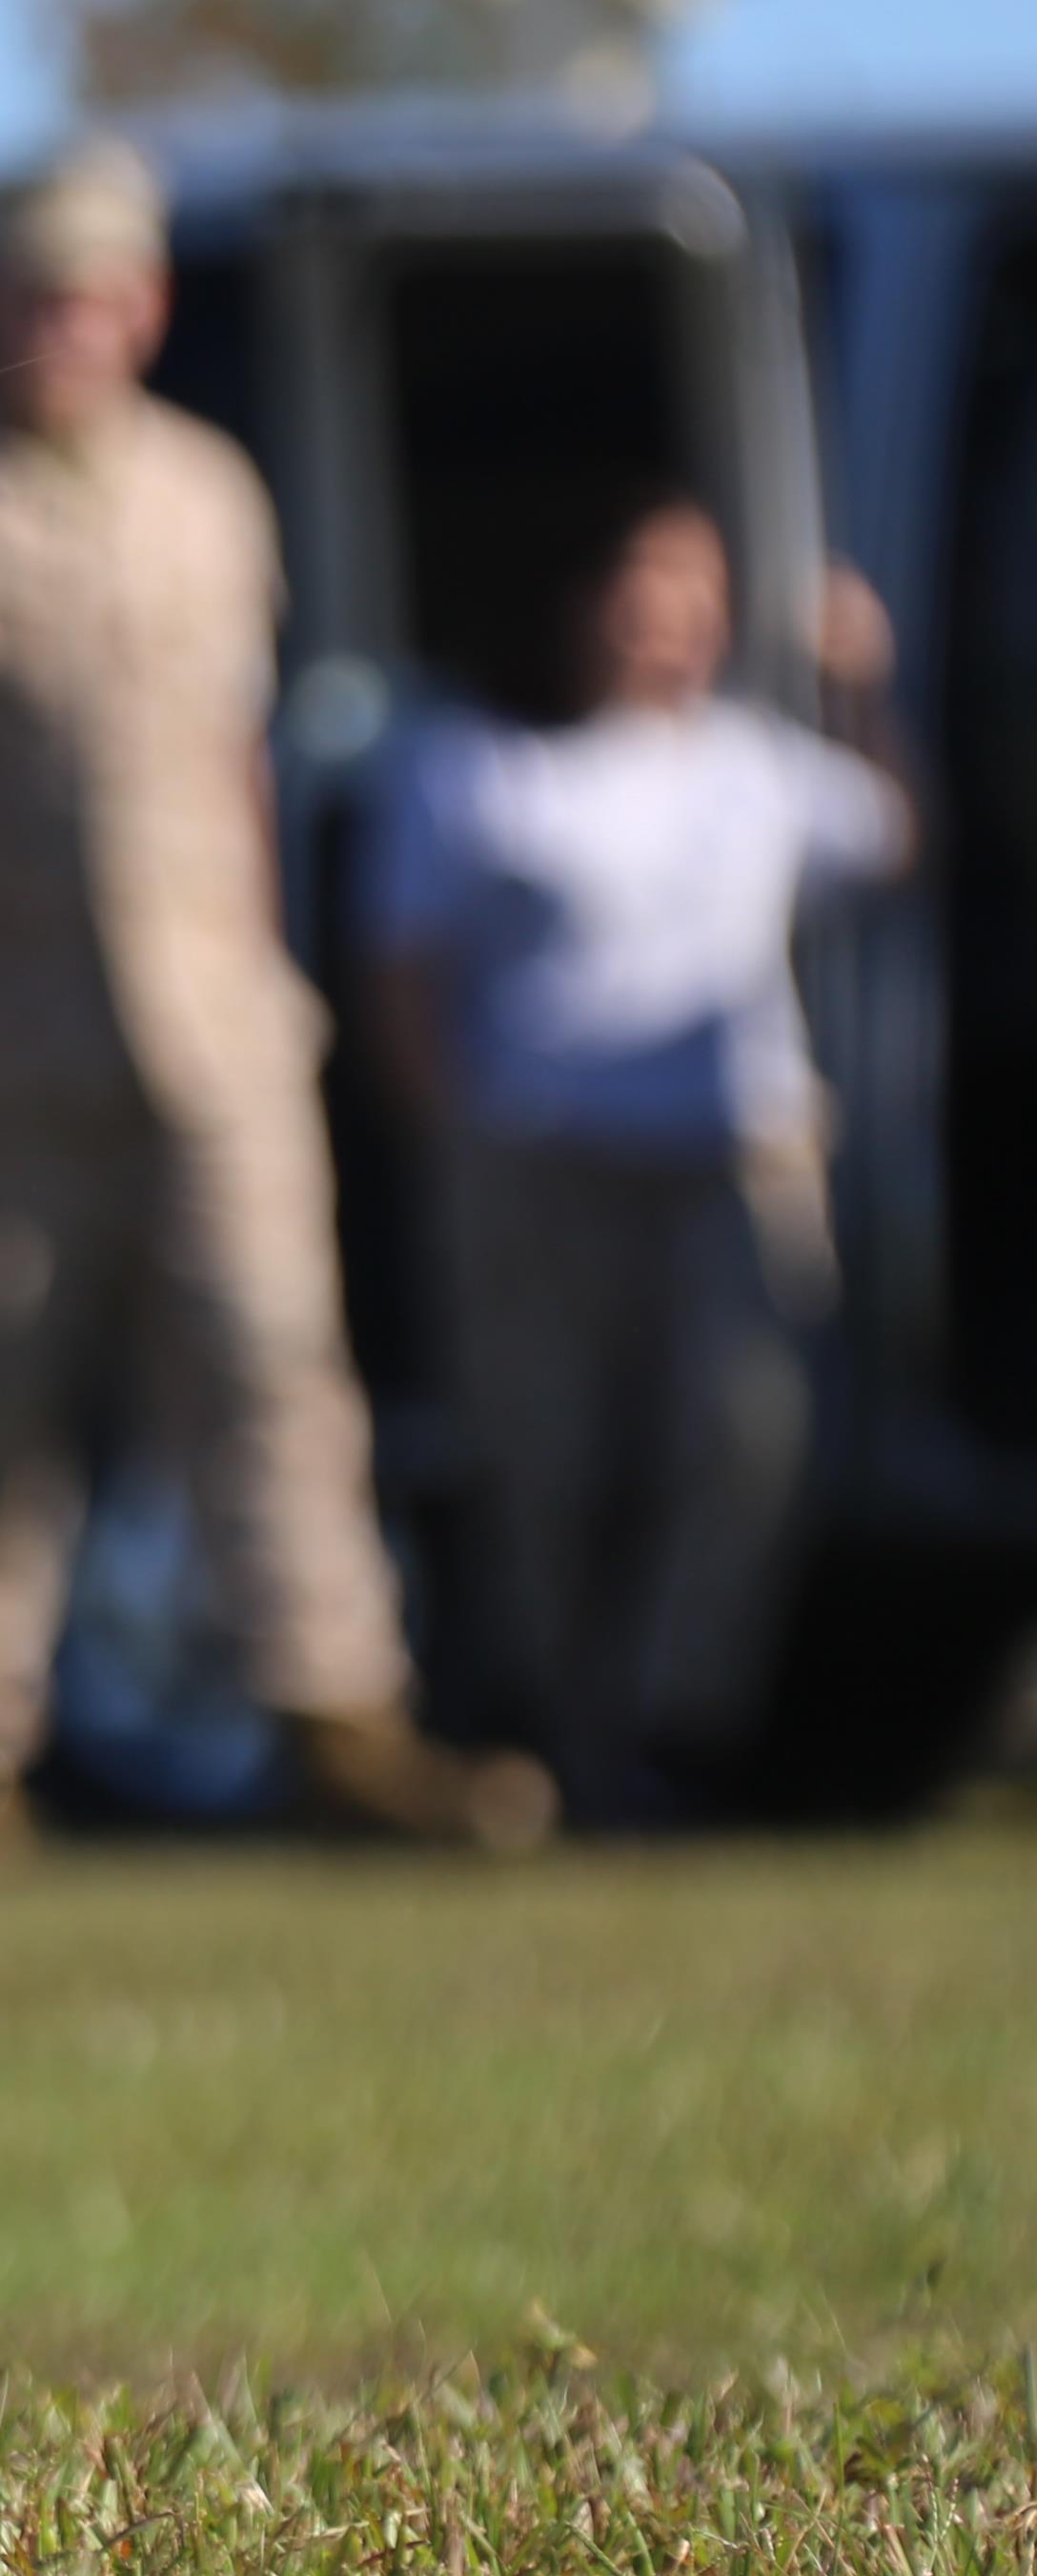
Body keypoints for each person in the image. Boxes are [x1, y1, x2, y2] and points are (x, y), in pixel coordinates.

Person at [0, 139, 546, 1861]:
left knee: (271, 1361)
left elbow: (236, 762)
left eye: (99, 295)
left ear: (148, 305)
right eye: (35, 295)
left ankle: (341, 1713)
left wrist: (272, 980)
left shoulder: (213, 494)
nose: (67, 326)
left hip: (211, 1029)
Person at [366, 490, 910, 1827]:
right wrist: (462, 1147)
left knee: (740, 1441)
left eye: (700, 581)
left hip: (732, 1162)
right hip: (539, 1160)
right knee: (550, 1462)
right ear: (578, 595)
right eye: (647, 577)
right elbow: (403, 981)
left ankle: (678, 1728)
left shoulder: (760, 765)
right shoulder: (477, 762)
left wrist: (865, 688)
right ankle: (569, 1743)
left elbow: (900, 843)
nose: (674, 612)